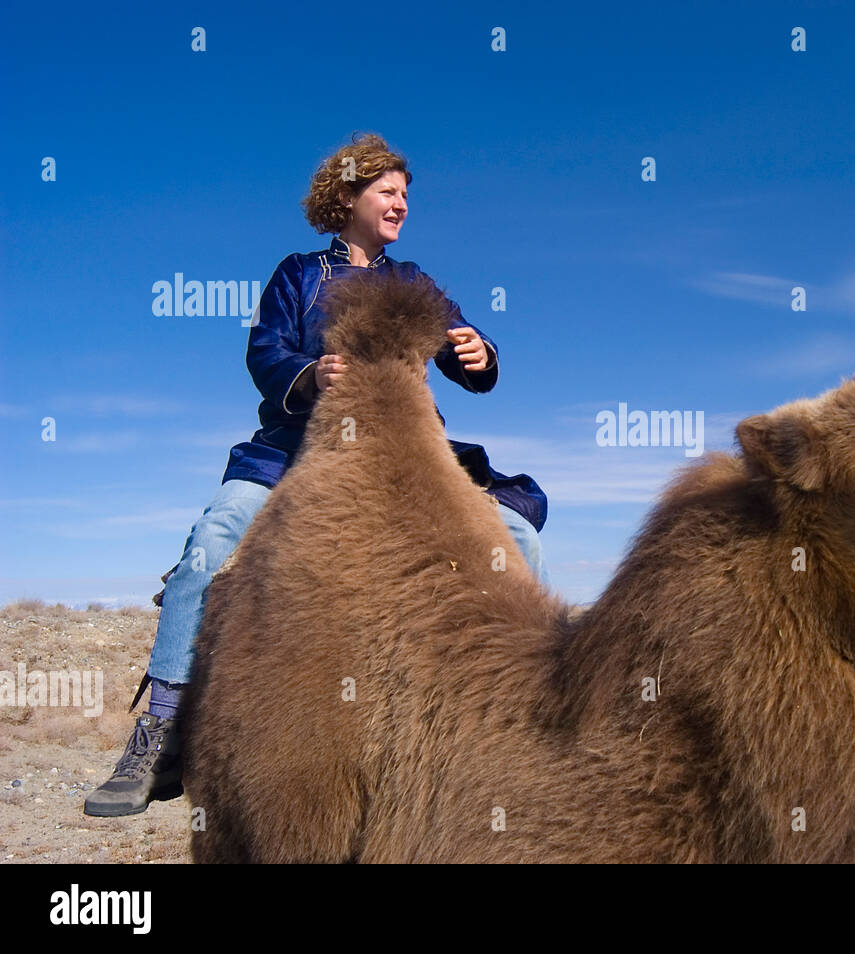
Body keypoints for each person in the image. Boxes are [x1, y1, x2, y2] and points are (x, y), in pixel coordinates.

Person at [84, 133, 548, 817]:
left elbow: (462, 349)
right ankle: (160, 736)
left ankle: (518, 724)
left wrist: (481, 352)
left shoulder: (414, 283)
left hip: (403, 457)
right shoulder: (297, 276)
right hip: (294, 453)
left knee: (519, 542)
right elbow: (264, 353)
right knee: (208, 551)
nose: (401, 206)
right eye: (388, 192)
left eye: (406, 196)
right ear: (347, 196)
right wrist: (311, 373)